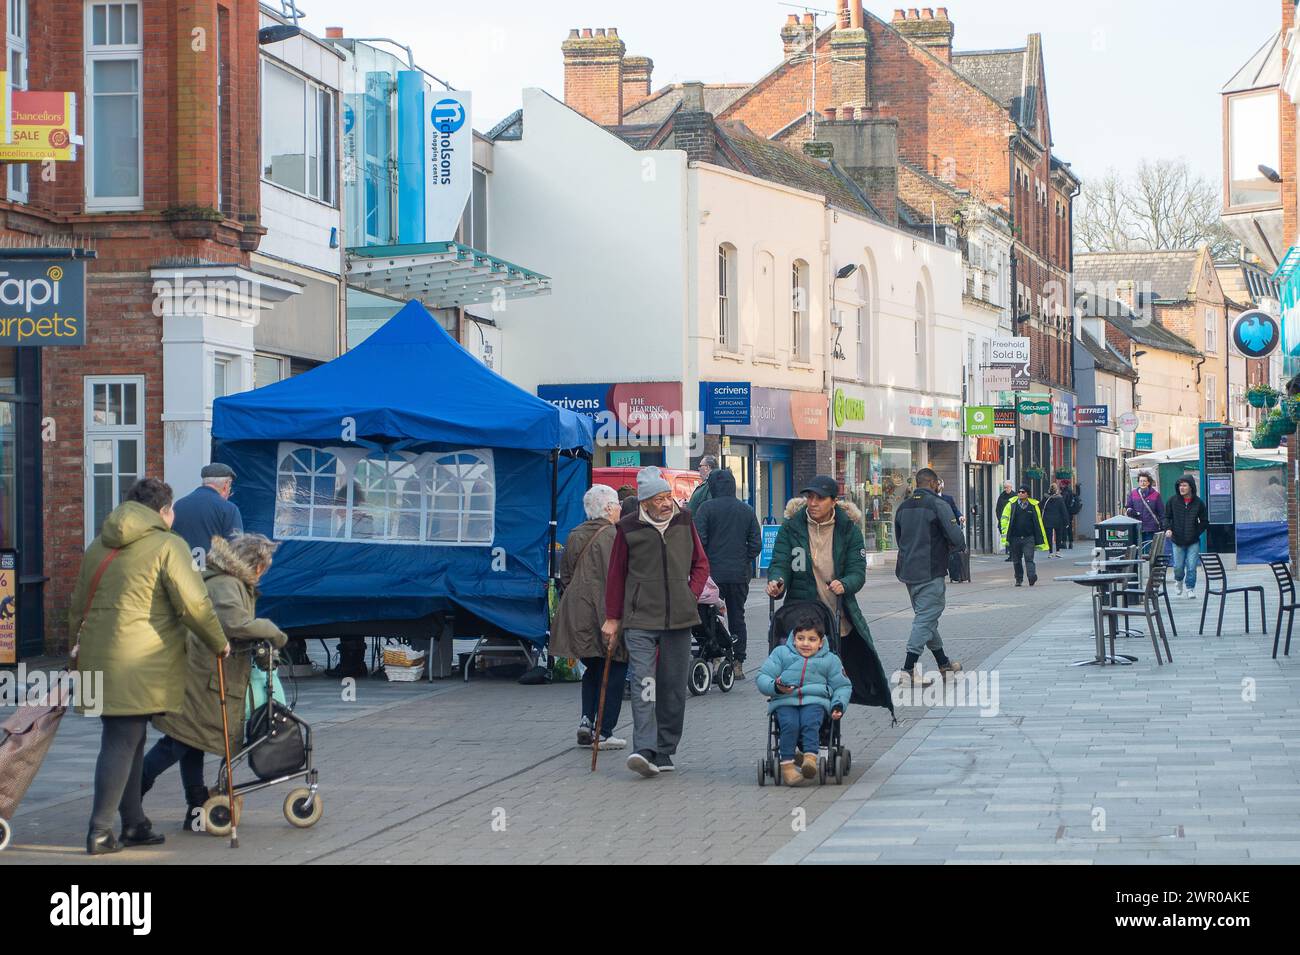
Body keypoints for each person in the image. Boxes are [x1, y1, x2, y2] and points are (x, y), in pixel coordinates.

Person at [72, 478, 228, 855]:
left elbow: (78, 604)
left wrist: (73, 654)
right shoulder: (167, 545)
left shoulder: (98, 545)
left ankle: (135, 823)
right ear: (162, 511)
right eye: (172, 510)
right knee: (121, 740)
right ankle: (100, 830)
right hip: (138, 660)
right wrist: (218, 642)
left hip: (97, 657)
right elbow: (193, 604)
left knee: (129, 739)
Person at [144, 533, 288, 830]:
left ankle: (196, 809)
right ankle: (129, 795)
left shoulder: (227, 581)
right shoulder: (227, 584)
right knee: (176, 744)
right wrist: (272, 632)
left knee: (189, 742)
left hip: (202, 674)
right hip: (204, 677)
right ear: (255, 565)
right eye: (265, 567)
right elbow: (234, 624)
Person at [603, 466, 710, 777]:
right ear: (645, 503)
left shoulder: (684, 520)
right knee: (644, 682)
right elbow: (616, 575)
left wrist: (690, 594)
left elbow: (700, 563)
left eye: (668, 496)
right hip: (640, 618)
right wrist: (613, 618)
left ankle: (664, 749)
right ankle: (644, 748)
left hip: (679, 616)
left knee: (673, 686)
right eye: (660, 498)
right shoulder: (627, 528)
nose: (667, 503)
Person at [765, 475, 894, 716]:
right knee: (800, 669)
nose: (812, 503)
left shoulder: (848, 530)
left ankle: (824, 724)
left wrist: (845, 584)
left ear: (834, 501)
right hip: (801, 614)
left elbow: (857, 571)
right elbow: (782, 562)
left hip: (836, 615)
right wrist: (777, 582)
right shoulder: (792, 528)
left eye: (820, 498)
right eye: (809, 497)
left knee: (828, 673)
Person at [551, 485, 627, 750]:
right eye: (617, 504)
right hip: (606, 612)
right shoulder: (615, 537)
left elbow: (567, 575)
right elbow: (620, 579)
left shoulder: (574, 535)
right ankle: (604, 730)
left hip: (578, 612)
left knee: (592, 668)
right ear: (607, 508)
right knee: (615, 666)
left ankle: (586, 719)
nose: (620, 508)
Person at [755, 610, 851, 786]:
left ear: (821, 643)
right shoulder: (782, 654)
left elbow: (842, 686)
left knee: (810, 721)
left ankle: (809, 759)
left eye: (812, 639)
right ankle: (788, 768)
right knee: (789, 724)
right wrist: (775, 687)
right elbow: (762, 676)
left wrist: (838, 704)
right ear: (794, 638)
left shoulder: (830, 660)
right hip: (785, 699)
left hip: (815, 700)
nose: (805, 643)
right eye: (801, 638)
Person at [894, 468, 967, 686]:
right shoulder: (938, 505)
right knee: (925, 619)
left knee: (926, 618)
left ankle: (944, 664)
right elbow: (957, 538)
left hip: (907, 571)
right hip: (931, 570)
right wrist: (949, 550)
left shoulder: (903, 507)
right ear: (934, 483)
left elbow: (900, 539)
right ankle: (908, 670)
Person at [693, 467, 761, 678]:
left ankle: (715, 656)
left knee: (711, 617)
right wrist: (744, 560)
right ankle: (738, 661)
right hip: (739, 574)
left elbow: (699, 542)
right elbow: (756, 544)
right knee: (737, 616)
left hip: (712, 575)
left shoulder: (706, 508)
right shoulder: (746, 510)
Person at [171, 463, 243, 560]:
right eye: (230, 488)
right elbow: (236, 549)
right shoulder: (229, 509)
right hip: (213, 573)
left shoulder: (178, 505)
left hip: (182, 570)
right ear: (226, 486)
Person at [1163, 474, 1208, 600]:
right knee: (1178, 567)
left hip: (1193, 540)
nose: (1181, 488)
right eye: (1179, 485)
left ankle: (1190, 588)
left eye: (1184, 485)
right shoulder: (1172, 501)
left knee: (1192, 566)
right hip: (1177, 540)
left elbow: (1204, 521)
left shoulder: (1198, 503)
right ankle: (1178, 580)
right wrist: (1168, 529)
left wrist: (1196, 532)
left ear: (1191, 487)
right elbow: (1166, 517)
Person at [999, 485, 1048, 587]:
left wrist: (1039, 537)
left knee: (1029, 558)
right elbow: (1004, 519)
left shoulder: (1033, 506)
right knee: (1016, 560)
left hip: (1029, 538)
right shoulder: (1011, 505)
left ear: (1027, 494)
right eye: (1019, 492)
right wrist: (1004, 532)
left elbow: (1038, 521)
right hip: (1014, 537)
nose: (1020, 493)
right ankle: (1019, 579)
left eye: (1023, 492)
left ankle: (1031, 577)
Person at [1126, 470, 1164, 548]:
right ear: (1138, 483)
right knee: (1137, 550)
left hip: (1151, 528)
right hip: (1137, 526)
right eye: (1141, 481)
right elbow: (1128, 507)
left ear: (1148, 483)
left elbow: (1161, 512)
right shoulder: (1133, 494)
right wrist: (1131, 512)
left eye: (1145, 481)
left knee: (1148, 550)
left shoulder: (1156, 495)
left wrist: (1163, 526)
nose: (1142, 483)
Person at [1042, 483, 1070, 558]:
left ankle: (1050, 552)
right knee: (1058, 536)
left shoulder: (1045, 498)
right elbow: (1063, 511)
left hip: (1047, 520)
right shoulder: (1059, 498)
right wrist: (1066, 522)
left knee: (1049, 536)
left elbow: (1041, 507)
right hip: (1058, 520)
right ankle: (1058, 551)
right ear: (1057, 490)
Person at [994, 481, 1015, 561]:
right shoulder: (1002, 496)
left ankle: (1013, 555)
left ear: (1011, 487)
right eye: (1005, 487)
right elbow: (998, 508)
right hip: (1003, 522)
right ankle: (1011, 554)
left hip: (1012, 522)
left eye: (1007, 487)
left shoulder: (1015, 496)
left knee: (1012, 539)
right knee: (1006, 539)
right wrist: (1000, 519)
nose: (1005, 489)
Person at [1061, 481, 1082, 548]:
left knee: (1064, 528)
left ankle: (1064, 543)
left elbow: (1063, 503)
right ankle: (1071, 543)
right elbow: (1077, 495)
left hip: (1065, 513)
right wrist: (1078, 487)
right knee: (1069, 528)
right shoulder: (1071, 492)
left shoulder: (1065, 492)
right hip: (1070, 513)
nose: (1060, 485)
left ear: (1064, 485)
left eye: (1061, 484)